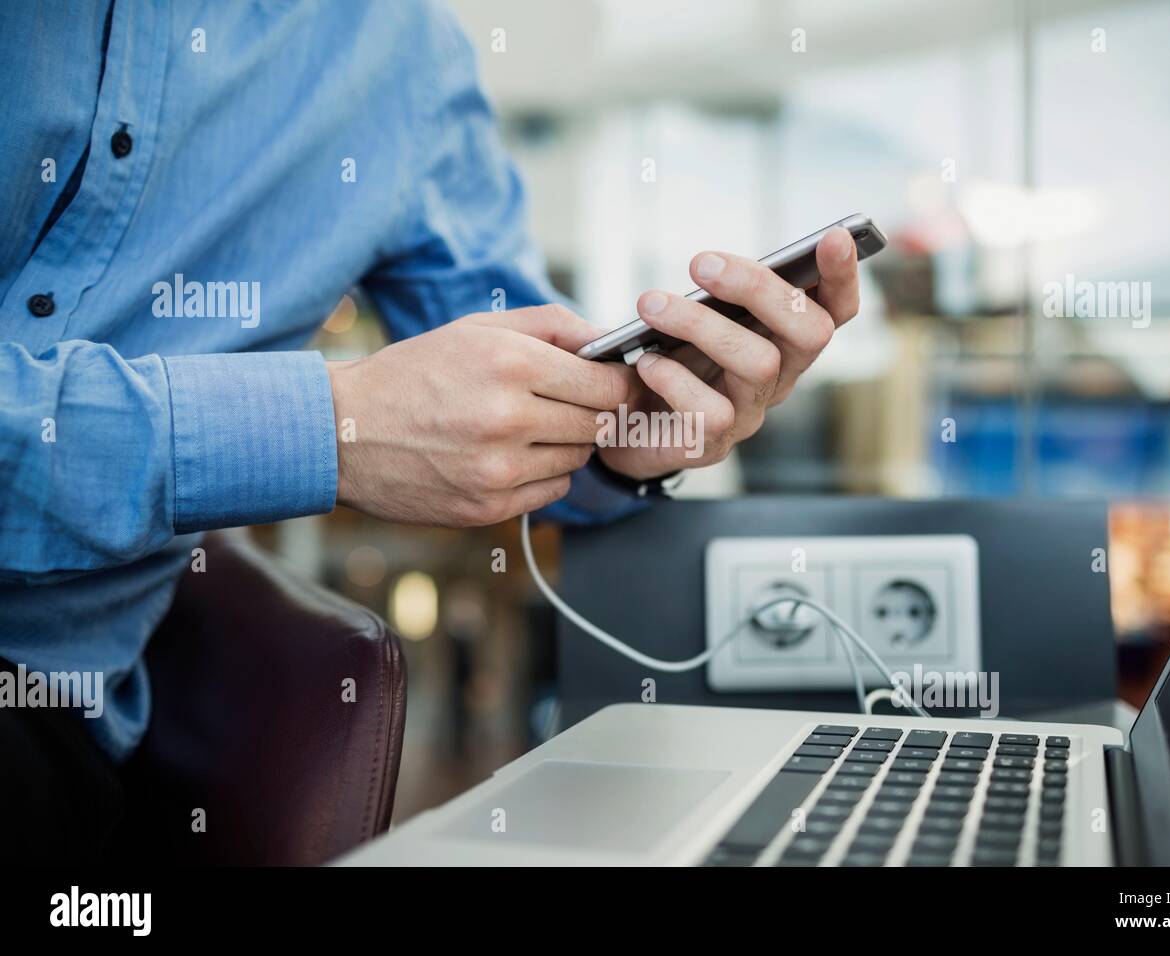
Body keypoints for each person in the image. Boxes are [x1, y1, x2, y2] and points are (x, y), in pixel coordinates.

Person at [0, 0, 861, 856]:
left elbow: (520, 354)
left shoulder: (395, 51)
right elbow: (360, 419)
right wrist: (334, 424)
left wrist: (625, 430)